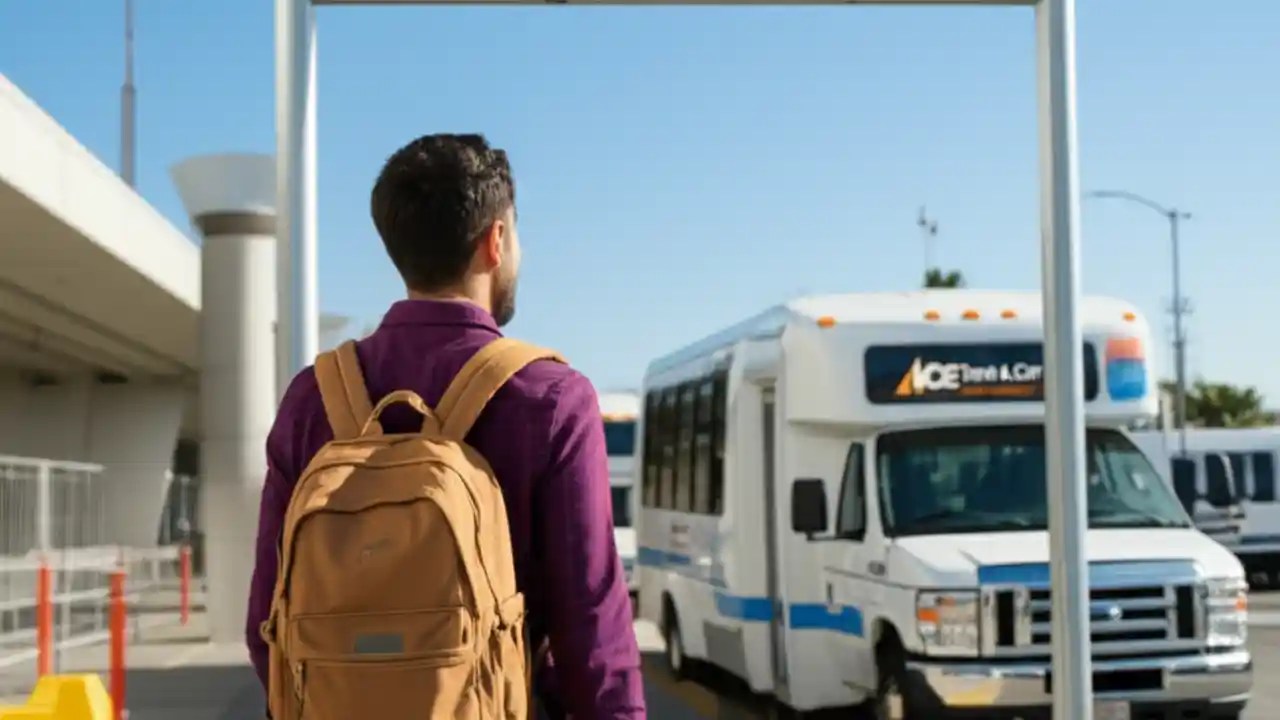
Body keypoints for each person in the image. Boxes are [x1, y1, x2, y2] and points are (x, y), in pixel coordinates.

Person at [245, 133, 646, 719]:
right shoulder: (551, 398)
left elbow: (266, 627)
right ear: (496, 241)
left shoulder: (313, 398)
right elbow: (593, 636)